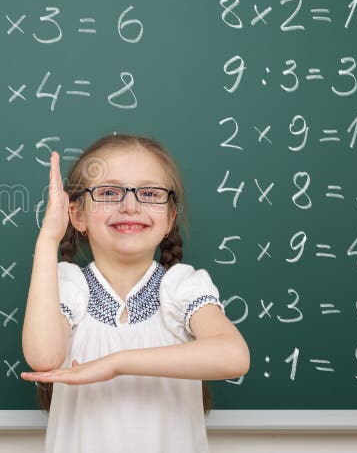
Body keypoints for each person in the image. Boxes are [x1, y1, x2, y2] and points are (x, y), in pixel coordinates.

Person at [20, 133, 250, 452]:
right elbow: (43, 358)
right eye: (109, 192)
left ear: (170, 218)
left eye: (150, 193)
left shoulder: (182, 287)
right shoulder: (68, 287)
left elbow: (234, 356)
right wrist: (48, 239)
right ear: (78, 215)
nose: (130, 205)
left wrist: (117, 363)